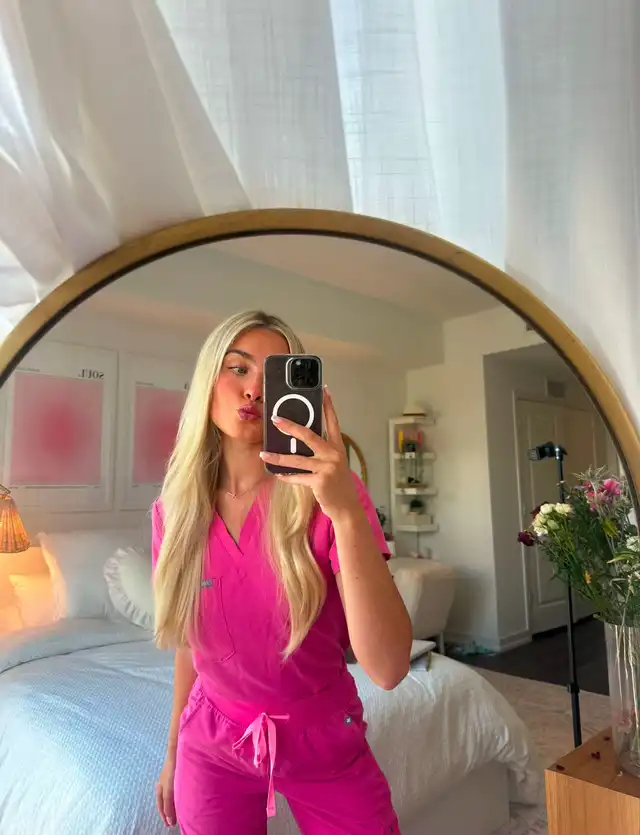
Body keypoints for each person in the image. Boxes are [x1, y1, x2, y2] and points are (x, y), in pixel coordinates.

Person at [152, 310, 412, 835]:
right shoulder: (174, 512)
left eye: (273, 376)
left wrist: (345, 512)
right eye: (238, 368)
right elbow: (190, 645)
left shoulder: (331, 500)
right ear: (208, 381)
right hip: (211, 742)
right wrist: (174, 749)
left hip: (324, 739)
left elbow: (387, 668)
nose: (253, 390)